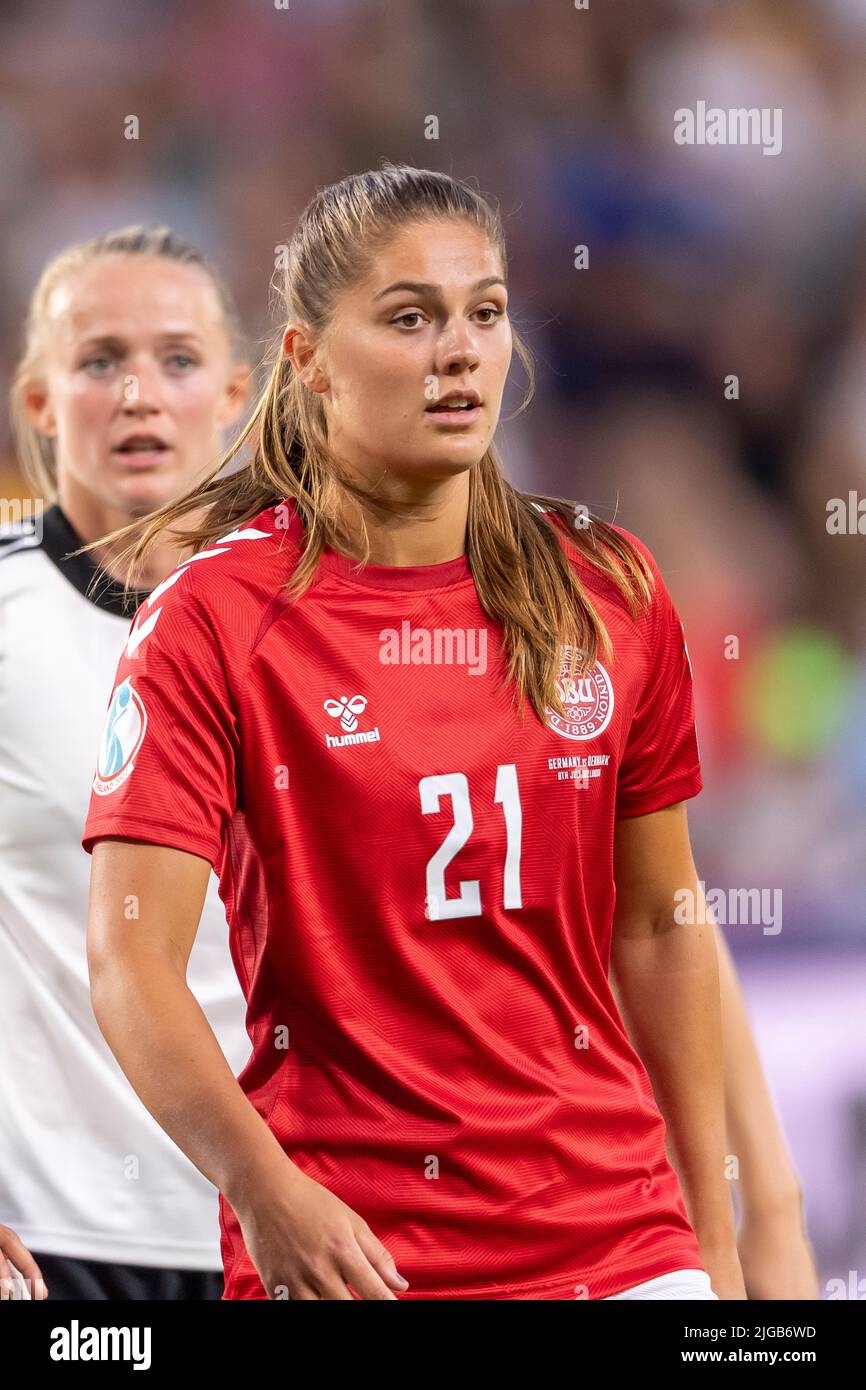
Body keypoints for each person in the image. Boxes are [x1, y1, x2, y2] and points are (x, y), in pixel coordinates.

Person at [79, 163, 755, 1301]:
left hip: (618, 1244)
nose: (459, 351)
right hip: (353, 1254)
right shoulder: (211, 624)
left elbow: (658, 923)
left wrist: (712, 1243)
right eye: (409, 318)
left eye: (483, 313)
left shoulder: (607, 588)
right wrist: (263, 1189)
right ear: (306, 361)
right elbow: (128, 959)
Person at [0, 226, 252, 1300]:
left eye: (177, 359)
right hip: (46, 1237)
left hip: (297, 1220)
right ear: (42, 403)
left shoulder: (327, 619)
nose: (140, 393)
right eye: (100, 360)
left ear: (237, 393)